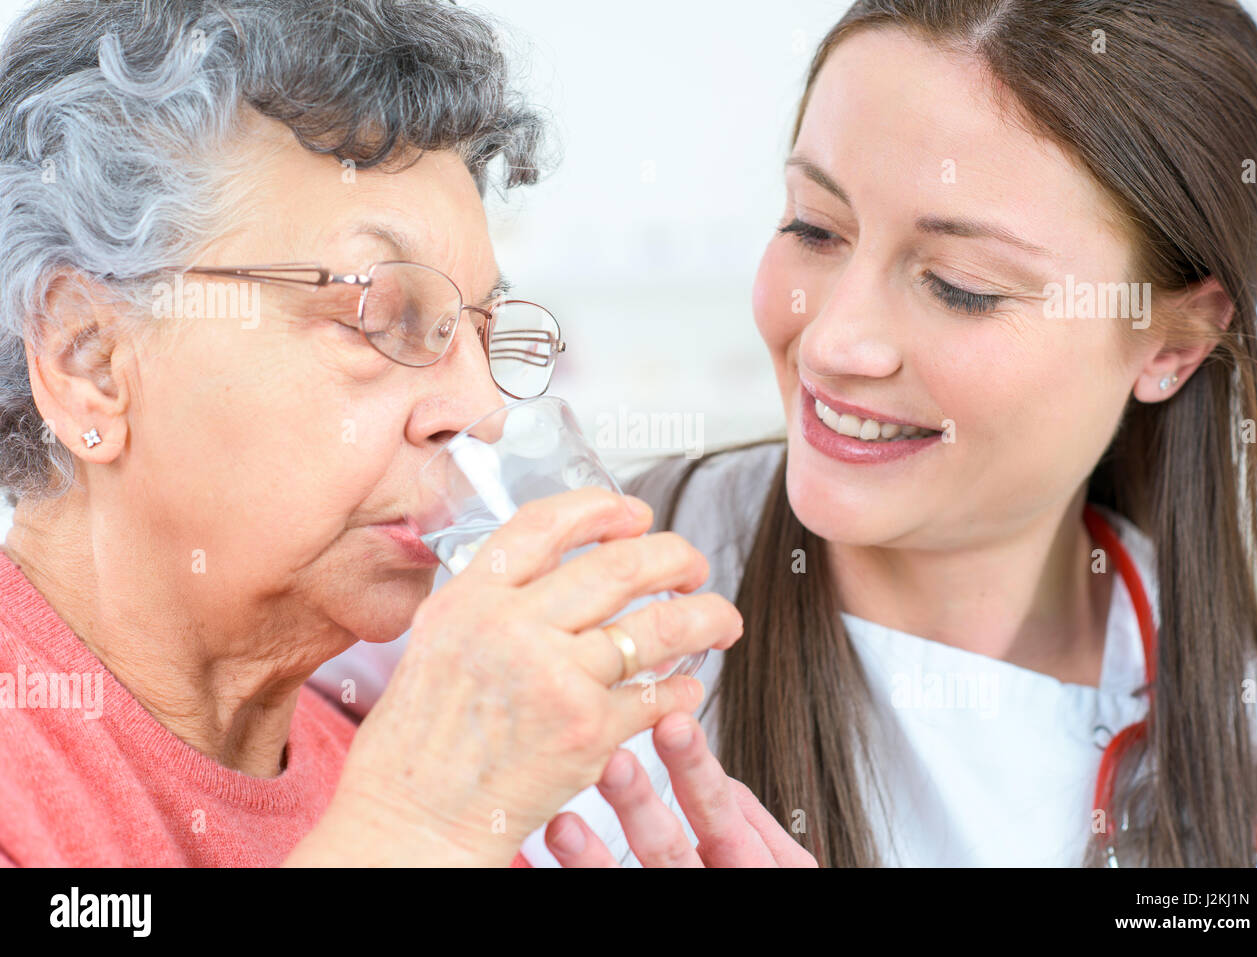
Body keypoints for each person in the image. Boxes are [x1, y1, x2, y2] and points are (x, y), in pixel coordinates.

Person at [323, 0, 1257, 867]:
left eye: (961, 287)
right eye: (813, 229)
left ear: (1173, 340)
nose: (832, 341)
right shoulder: (529, 590)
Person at [0, 0, 811, 867]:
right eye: (378, 315)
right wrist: (413, 830)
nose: (478, 407)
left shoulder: (397, 777)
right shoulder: (419, 811)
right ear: (90, 361)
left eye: (482, 334)